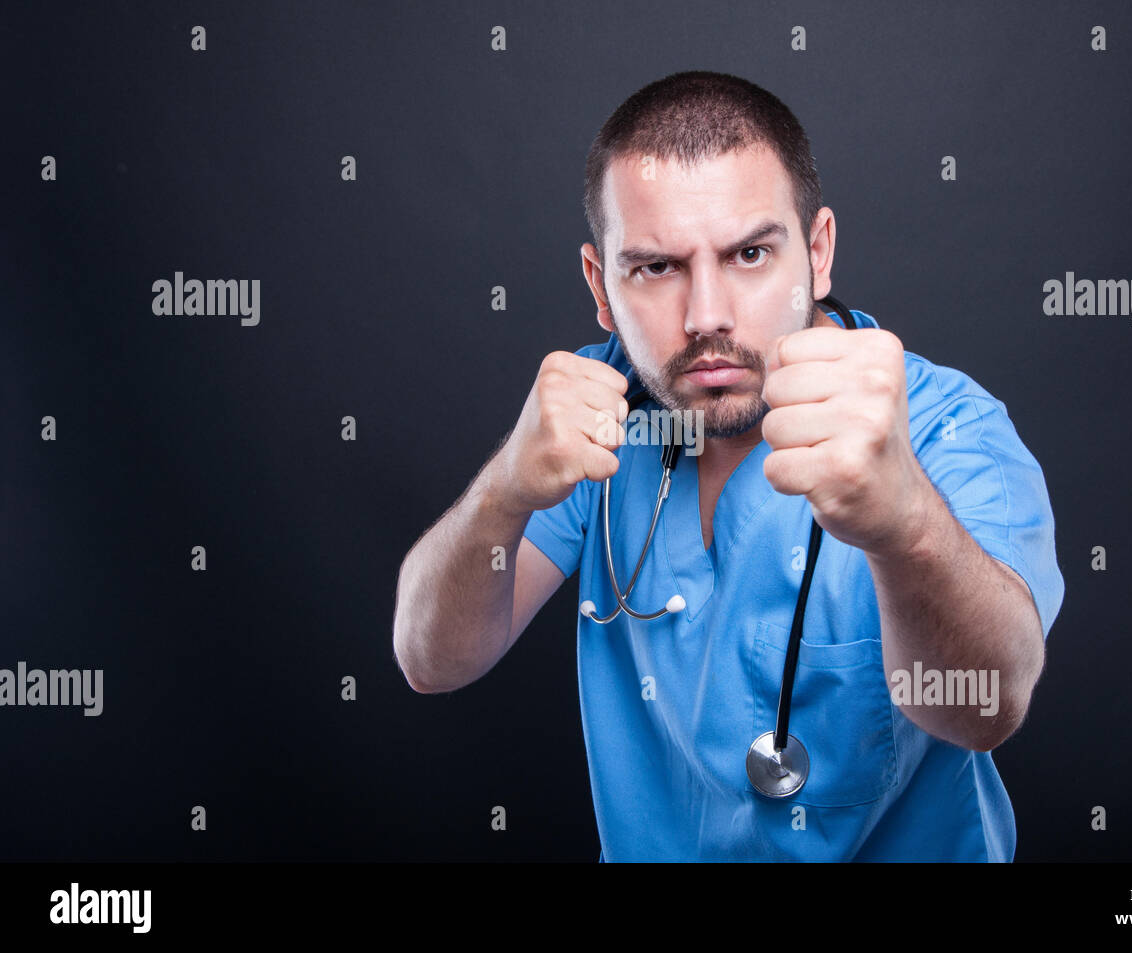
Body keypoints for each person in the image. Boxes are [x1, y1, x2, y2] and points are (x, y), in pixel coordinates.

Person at [393, 70, 1065, 861]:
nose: (706, 316)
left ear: (816, 253)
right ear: (601, 286)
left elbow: (987, 710)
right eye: (656, 267)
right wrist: (504, 487)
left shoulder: (947, 425)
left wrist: (906, 524)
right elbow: (430, 659)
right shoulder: (597, 412)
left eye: (749, 253)